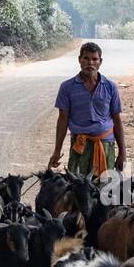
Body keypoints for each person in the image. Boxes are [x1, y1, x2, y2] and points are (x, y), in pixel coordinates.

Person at [47, 42, 125, 178]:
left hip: (105, 145)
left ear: (100, 62)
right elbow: (62, 120)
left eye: (94, 59)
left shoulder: (110, 87)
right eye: (86, 58)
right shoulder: (67, 87)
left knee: (104, 190)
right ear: (79, 60)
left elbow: (117, 120)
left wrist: (122, 153)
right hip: (79, 146)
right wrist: (57, 151)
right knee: (77, 188)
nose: (90, 63)